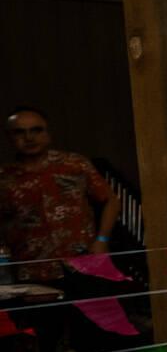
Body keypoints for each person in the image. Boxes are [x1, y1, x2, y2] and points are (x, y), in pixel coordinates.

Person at [0, 106, 115, 284]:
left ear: (48, 133)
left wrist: (102, 239)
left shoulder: (75, 164)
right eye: (19, 132)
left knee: (101, 311)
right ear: (9, 138)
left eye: (36, 130)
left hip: (84, 262)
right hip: (32, 271)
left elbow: (111, 201)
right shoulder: (4, 177)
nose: (29, 138)